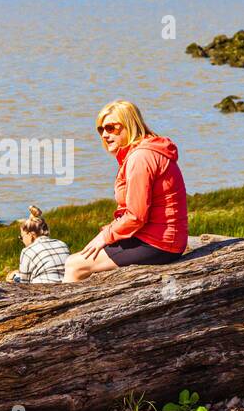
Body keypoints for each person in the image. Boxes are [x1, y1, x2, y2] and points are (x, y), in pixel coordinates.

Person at [64, 100, 188, 282]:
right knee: (85, 256)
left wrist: (105, 236)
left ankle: (71, 310)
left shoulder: (140, 158)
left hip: (159, 243)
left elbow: (136, 216)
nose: (105, 135)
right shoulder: (143, 151)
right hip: (158, 238)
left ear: (129, 125)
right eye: (101, 130)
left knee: (74, 265)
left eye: (111, 128)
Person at [9, 206, 70, 284]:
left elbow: (24, 283)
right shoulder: (62, 244)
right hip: (65, 288)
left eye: (21, 237)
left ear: (31, 235)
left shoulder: (27, 251)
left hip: (41, 292)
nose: (22, 240)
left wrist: (14, 277)